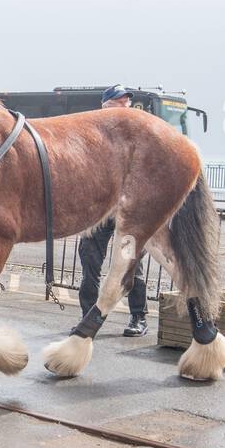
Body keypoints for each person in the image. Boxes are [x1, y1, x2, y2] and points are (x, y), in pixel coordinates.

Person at [78, 84, 147, 336]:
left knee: (132, 264)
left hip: (128, 212)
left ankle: (138, 317)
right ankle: (88, 317)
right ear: (105, 107)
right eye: (120, 103)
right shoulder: (92, 135)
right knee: (89, 264)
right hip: (98, 212)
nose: (126, 107)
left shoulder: (139, 138)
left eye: (127, 103)